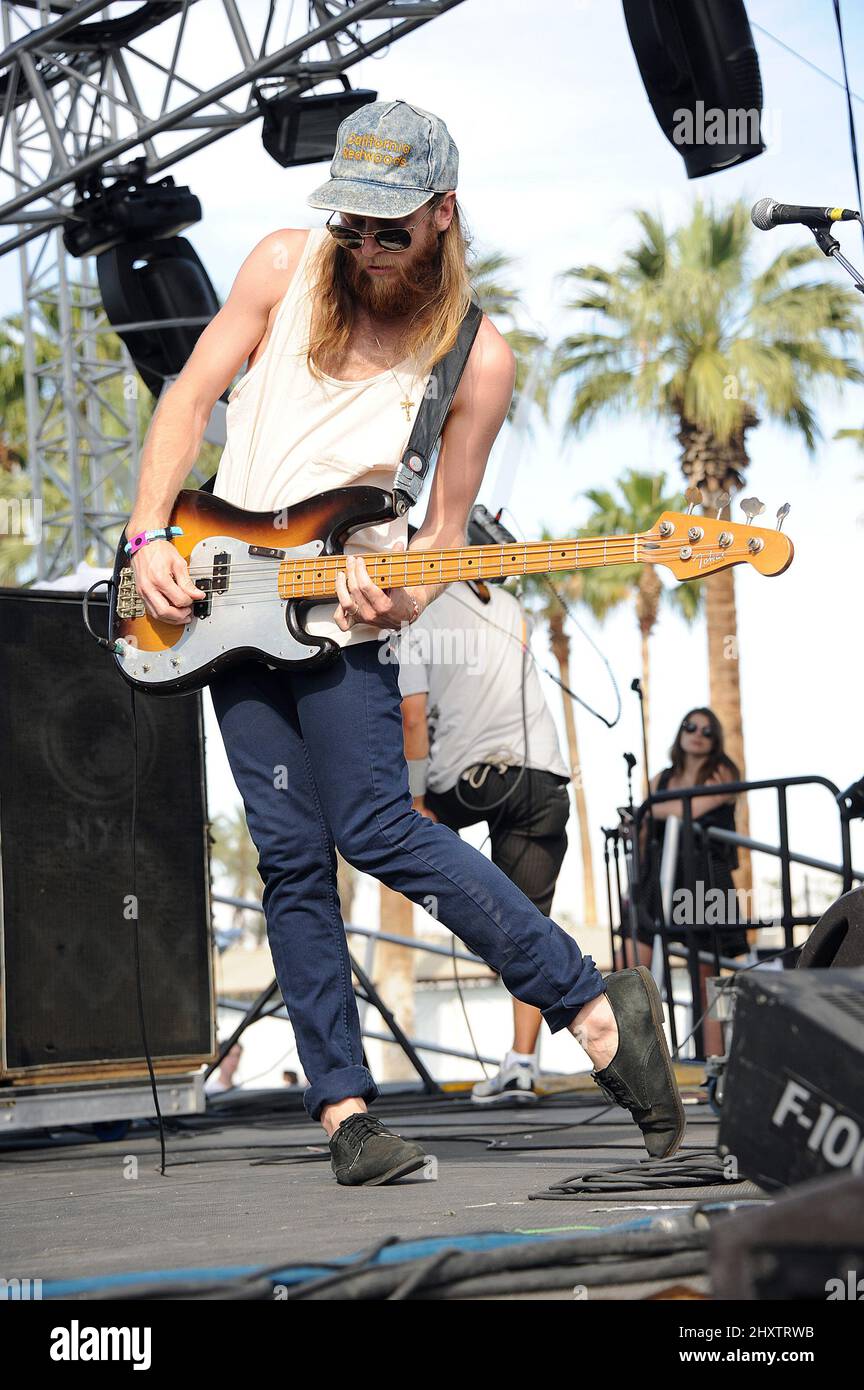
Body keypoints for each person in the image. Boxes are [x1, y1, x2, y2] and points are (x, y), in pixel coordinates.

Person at [125, 98, 684, 1185]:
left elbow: (440, 541)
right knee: (289, 855)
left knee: (377, 826)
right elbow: (189, 397)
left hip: (346, 617)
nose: (368, 251)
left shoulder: (477, 360)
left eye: (391, 230)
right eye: (353, 227)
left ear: (443, 214)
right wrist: (149, 530)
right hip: (220, 596)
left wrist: (405, 601)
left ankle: (592, 1006)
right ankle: (345, 1112)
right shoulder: (286, 267)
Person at [397, 563, 571, 1104]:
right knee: (531, 922)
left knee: (384, 827)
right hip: (543, 776)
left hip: (471, 780)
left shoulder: (413, 610)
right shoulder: (511, 607)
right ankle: (522, 1064)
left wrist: (418, 800)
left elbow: (412, 718)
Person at [625, 706, 746, 1056]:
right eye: (691, 726)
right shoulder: (661, 779)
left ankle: (711, 1067)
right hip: (658, 883)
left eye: (708, 731)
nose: (697, 734)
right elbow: (644, 828)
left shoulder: (723, 772)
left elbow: (684, 809)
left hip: (705, 881)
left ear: (716, 740)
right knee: (630, 965)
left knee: (706, 978)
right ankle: (639, 1061)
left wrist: (647, 808)